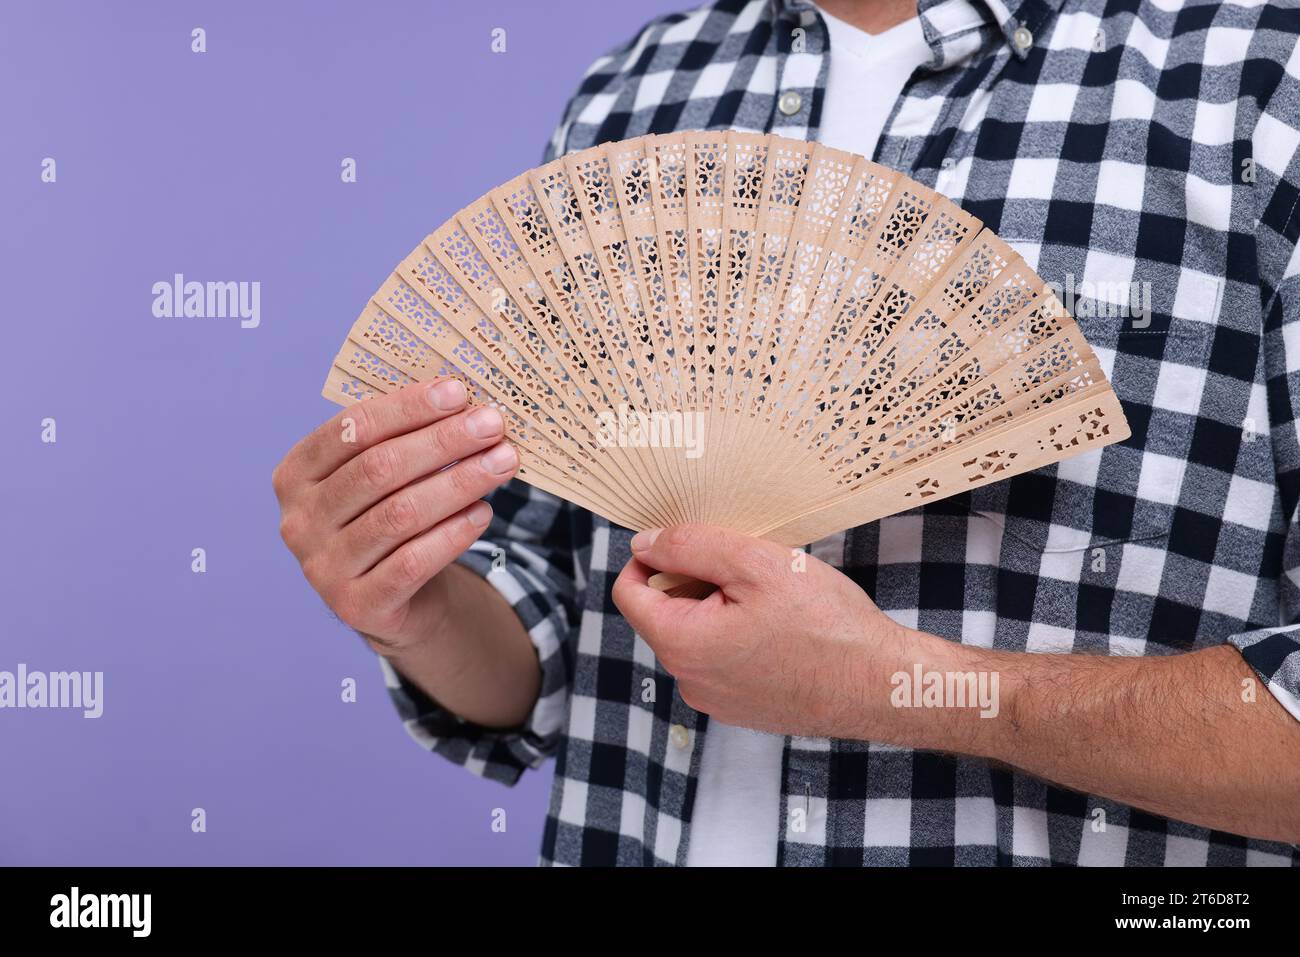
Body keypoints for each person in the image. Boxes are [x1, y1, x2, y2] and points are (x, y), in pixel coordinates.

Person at [273, 0, 1300, 865]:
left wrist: (904, 690)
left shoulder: (1254, 76)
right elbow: (549, 621)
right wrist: (412, 602)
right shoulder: (635, 86)